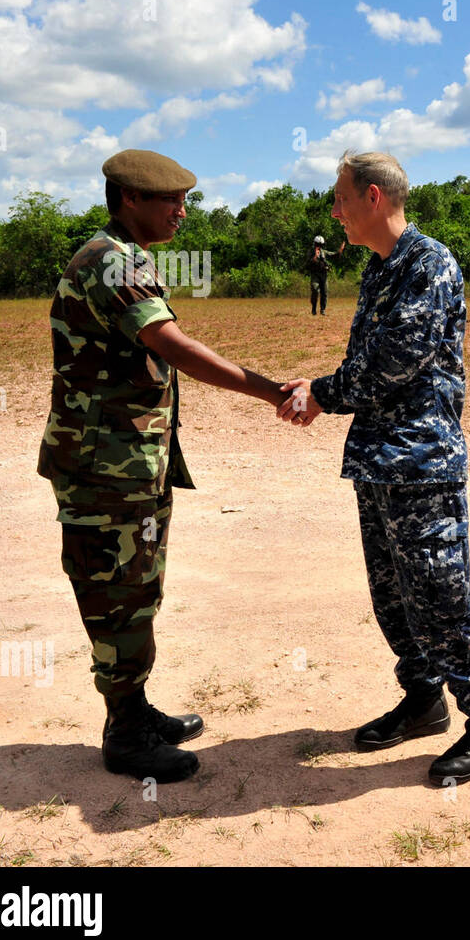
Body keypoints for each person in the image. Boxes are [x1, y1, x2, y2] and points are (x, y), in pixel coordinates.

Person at [38, 148, 288, 783]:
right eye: (168, 201)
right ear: (129, 200)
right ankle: (124, 734)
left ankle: (135, 708)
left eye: (183, 199)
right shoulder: (111, 261)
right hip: (104, 467)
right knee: (116, 595)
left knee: (139, 588)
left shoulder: (127, 256)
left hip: (128, 462)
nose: (181, 210)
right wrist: (270, 390)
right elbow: (172, 345)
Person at [277, 150, 470, 786]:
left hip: (421, 460)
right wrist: (325, 389)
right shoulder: (379, 270)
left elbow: (394, 362)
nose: (335, 211)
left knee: (439, 589)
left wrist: (322, 392)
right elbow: (372, 363)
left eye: (341, 199)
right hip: (379, 461)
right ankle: (423, 698)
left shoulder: (429, 263)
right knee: (392, 593)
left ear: (374, 198)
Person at [308, 235, 335, 315]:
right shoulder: (311, 252)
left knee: (324, 292)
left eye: (320, 245)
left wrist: (339, 251)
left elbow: (333, 254)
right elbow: (309, 262)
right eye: (317, 245)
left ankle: (322, 310)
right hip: (315, 274)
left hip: (324, 275)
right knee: (314, 289)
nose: (319, 247)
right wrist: (315, 257)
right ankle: (313, 309)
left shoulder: (324, 252)